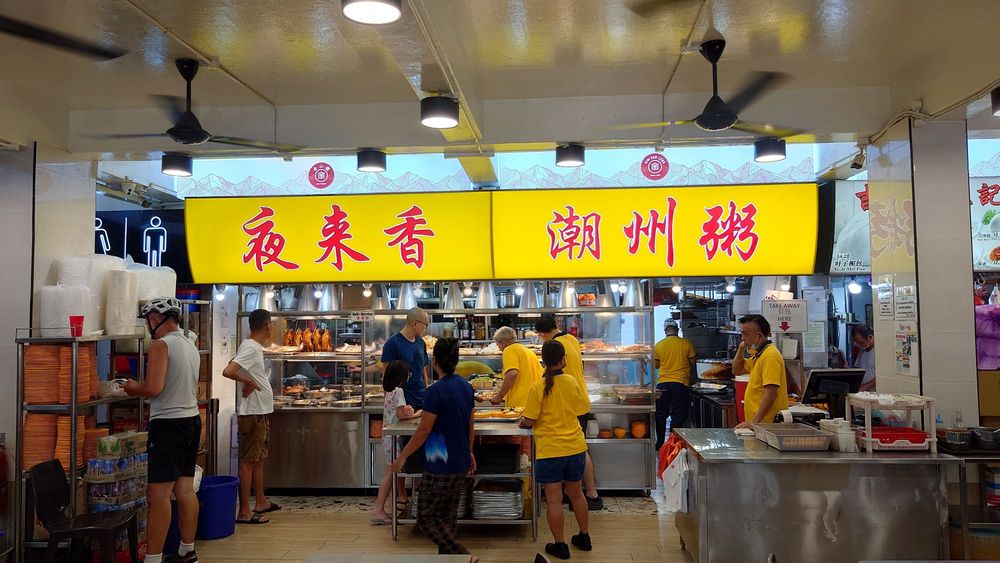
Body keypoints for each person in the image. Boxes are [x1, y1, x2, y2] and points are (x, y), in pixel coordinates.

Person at [124, 298, 201, 563]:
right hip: (191, 419)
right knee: (185, 490)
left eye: (148, 322)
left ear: (155, 320)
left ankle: (153, 559)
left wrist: (134, 387)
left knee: (157, 495)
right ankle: (186, 551)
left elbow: (154, 388)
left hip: (168, 424)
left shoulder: (161, 345)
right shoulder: (190, 345)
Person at [391, 338, 478, 563]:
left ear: (434, 360)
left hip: (440, 460)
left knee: (426, 517)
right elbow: (470, 424)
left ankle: (462, 556)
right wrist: (469, 452)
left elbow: (424, 430)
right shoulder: (466, 386)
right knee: (447, 517)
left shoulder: (435, 391)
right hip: (459, 458)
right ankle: (449, 560)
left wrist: (402, 456)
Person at [520, 340, 592, 560]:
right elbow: (582, 409)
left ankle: (560, 545)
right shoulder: (571, 381)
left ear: (543, 361)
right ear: (563, 360)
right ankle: (585, 537)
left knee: (553, 499)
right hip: (575, 447)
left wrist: (522, 421)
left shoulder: (537, 386)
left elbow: (530, 420)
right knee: (577, 494)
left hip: (550, 450)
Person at [534, 317, 603, 511]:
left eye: (540, 336)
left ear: (542, 333)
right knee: (579, 448)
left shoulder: (556, 345)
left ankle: (590, 493)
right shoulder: (571, 339)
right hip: (579, 399)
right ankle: (583, 493)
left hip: (571, 403)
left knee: (580, 450)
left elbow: (549, 374)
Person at [223, 309, 279, 525]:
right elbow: (229, 370)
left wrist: (246, 379)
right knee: (248, 461)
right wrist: (250, 382)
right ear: (266, 325)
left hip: (259, 411)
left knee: (259, 458)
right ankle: (245, 512)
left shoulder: (252, 347)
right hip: (252, 412)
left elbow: (234, 363)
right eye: (272, 324)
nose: (272, 327)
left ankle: (261, 501)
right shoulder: (251, 347)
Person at [373, 360, 422, 525]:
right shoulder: (399, 391)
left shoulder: (389, 391)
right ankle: (379, 509)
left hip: (387, 436)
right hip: (393, 437)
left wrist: (407, 409)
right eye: (408, 373)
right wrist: (417, 414)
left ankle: (390, 507)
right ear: (402, 376)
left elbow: (397, 411)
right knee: (390, 473)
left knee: (392, 473)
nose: (409, 376)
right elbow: (401, 416)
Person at [733, 314, 789, 429]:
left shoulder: (769, 356)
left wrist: (754, 423)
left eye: (745, 334)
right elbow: (737, 370)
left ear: (758, 335)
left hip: (766, 424)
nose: (742, 338)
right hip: (759, 424)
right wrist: (741, 348)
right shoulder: (759, 355)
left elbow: (771, 393)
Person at [653, 321, 696, 450]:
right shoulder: (686, 343)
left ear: (665, 331)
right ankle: (673, 443)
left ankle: (660, 443)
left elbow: (656, 365)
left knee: (661, 414)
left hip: (663, 384)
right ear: (677, 330)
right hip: (680, 383)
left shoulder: (658, 345)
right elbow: (693, 362)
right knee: (678, 414)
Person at [379, 308, 431, 409]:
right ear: (415, 323)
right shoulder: (392, 344)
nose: (426, 328)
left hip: (421, 400)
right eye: (426, 324)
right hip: (402, 404)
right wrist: (392, 406)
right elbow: (386, 377)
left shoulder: (421, 343)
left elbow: (423, 371)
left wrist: (427, 392)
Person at [490, 326, 542, 408]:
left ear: (503, 343)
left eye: (498, 345)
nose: (499, 348)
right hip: (534, 400)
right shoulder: (527, 350)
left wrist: (499, 396)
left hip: (520, 402)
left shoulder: (509, 350)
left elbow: (512, 373)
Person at [852, 325, 876, 392]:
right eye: (856, 342)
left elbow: (882, 376)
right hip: (863, 393)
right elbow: (857, 368)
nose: (859, 345)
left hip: (875, 393)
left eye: (861, 342)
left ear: (870, 337)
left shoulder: (879, 351)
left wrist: (864, 387)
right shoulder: (862, 349)